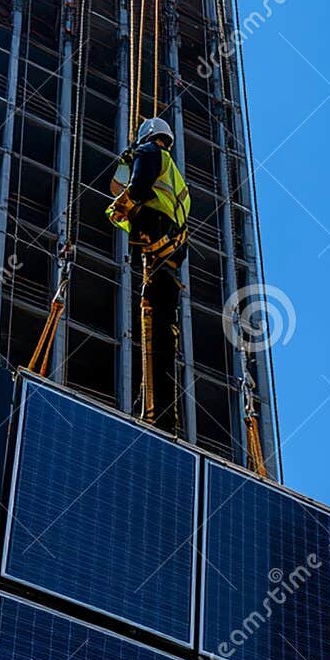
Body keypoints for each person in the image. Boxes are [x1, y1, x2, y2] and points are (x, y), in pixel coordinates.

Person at [107, 116, 190, 431]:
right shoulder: (178, 179)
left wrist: (124, 202)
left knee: (155, 322)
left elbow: (139, 186)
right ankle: (159, 412)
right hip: (171, 252)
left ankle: (154, 412)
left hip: (155, 238)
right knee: (163, 326)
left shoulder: (148, 153)